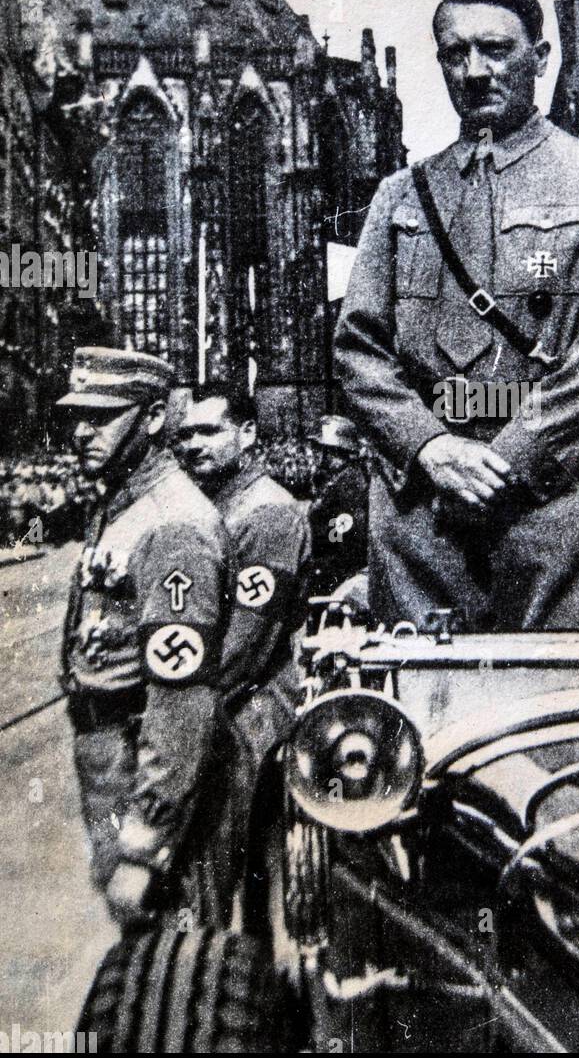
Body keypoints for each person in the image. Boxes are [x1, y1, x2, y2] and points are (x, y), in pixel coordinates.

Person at [334, 0, 579, 630]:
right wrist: (428, 448)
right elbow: (357, 348)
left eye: (495, 49)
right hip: (424, 515)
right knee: (429, 707)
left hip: (557, 503)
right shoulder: (401, 197)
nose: (475, 70)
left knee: (566, 707)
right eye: (456, 54)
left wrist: (511, 460)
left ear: (540, 58)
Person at [57, 347, 231, 927]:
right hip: (111, 763)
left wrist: (145, 840)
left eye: (101, 416)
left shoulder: (173, 522)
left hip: (145, 771)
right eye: (76, 416)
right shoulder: (121, 500)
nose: (82, 431)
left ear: (153, 418)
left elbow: (180, 698)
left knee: (172, 967)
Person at [176, 383, 311, 923]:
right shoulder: (215, 504)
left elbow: (245, 647)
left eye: (209, 430)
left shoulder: (267, 512)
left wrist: (178, 703)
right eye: (185, 434)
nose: (193, 444)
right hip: (217, 695)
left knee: (211, 874)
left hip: (253, 707)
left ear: (248, 433)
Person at [306, 414, 370, 598]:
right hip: (331, 573)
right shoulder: (338, 478)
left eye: (317, 447)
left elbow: (348, 538)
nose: (313, 452)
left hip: (339, 579)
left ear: (331, 450)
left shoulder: (349, 482)